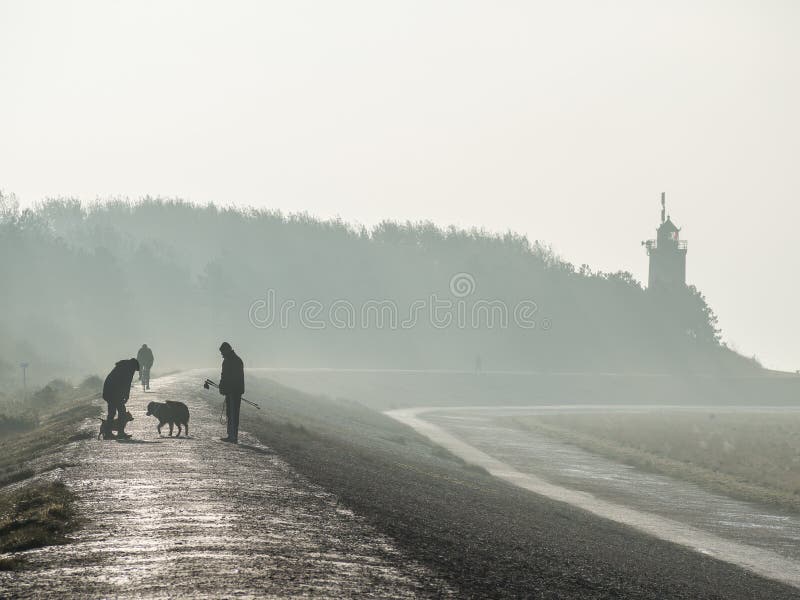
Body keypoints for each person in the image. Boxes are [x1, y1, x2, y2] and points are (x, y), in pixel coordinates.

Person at [102, 358, 140, 439]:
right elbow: (127, 383)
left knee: (112, 412)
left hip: (108, 391)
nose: (135, 371)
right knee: (122, 412)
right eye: (136, 369)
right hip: (114, 392)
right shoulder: (129, 368)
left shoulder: (122, 366)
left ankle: (108, 433)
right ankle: (120, 433)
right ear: (135, 366)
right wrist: (126, 396)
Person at [218, 342, 244, 444]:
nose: (222, 355)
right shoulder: (235, 360)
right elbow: (225, 376)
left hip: (233, 392)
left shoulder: (231, 361)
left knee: (233, 413)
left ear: (226, 350)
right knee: (231, 413)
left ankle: (233, 437)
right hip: (233, 391)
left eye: (222, 352)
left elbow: (227, 377)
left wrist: (225, 388)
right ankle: (231, 435)